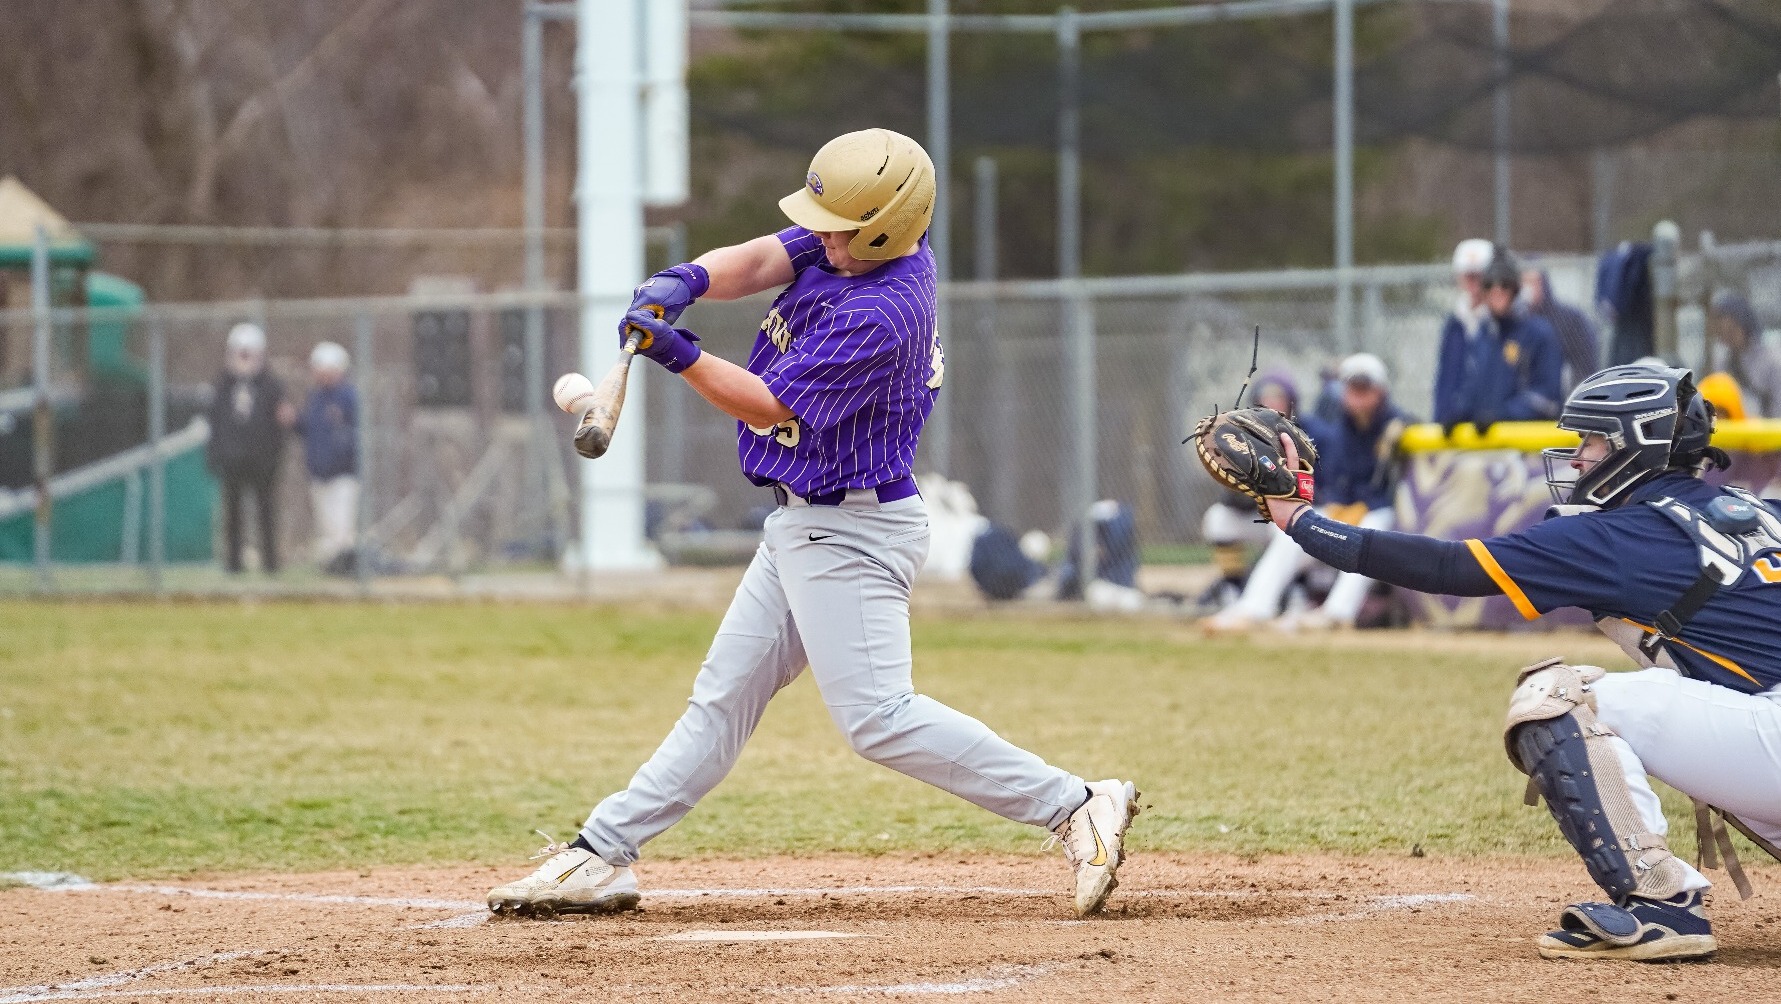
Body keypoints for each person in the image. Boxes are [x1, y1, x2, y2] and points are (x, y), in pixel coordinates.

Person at [486, 128, 1139, 920]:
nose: (819, 239)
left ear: (884, 229)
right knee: (722, 699)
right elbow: (764, 257)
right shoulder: (852, 237)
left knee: (878, 720)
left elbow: (768, 406)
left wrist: (677, 352)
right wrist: (685, 279)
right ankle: (603, 853)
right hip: (804, 525)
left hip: (851, 531)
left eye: (835, 230)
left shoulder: (883, 309)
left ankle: (1074, 803)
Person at [1253, 363, 1781, 961]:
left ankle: (1660, 906)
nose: (1580, 458)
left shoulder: (1623, 534)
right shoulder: (1758, 511)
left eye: (1595, 440)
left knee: (1556, 698)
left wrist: (1298, 518)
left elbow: (1449, 568)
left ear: (1639, 445)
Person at [1203, 353, 1409, 632]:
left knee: (1372, 530)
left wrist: (1406, 430)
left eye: (1364, 388)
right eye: (1352, 388)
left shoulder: (1395, 425)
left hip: (1381, 513)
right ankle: (1254, 607)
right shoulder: (1341, 430)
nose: (1356, 396)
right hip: (1341, 508)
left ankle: (1336, 613)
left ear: (1380, 391)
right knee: (1295, 530)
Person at [1432, 246, 1563, 432]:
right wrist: (1459, 413)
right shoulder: (1484, 333)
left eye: (1504, 284)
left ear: (1515, 289)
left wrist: (1503, 414)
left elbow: (1547, 398)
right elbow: (1474, 386)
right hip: (1491, 445)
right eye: (1489, 285)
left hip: (1529, 443)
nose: (1497, 290)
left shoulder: (1538, 333)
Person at [1197, 372, 1298, 612]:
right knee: (1218, 519)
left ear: (1291, 402)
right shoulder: (1239, 435)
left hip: (1288, 517)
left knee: (1291, 534)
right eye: (1267, 398)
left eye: (1279, 398)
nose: (1273, 404)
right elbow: (1231, 498)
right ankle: (1233, 588)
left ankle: (1296, 592)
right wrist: (1249, 483)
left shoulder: (1305, 433)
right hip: (1258, 515)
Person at [205, 323, 291, 574]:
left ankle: (270, 563)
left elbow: (279, 426)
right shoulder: (223, 386)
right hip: (233, 459)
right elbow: (216, 423)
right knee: (233, 514)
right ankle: (233, 562)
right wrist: (215, 455)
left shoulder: (272, 386)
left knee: (266, 512)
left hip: (262, 459)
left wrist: (276, 457)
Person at [294, 341, 359, 574]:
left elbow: (353, 434)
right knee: (327, 527)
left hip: (343, 472)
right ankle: (334, 569)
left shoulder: (348, 397)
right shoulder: (316, 397)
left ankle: (345, 570)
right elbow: (310, 429)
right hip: (319, 471)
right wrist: (293, 421)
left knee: (342, 528)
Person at [1520, 266, 1599, 396]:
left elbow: (1584, 364)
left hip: (1564, 395)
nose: (1528, 288)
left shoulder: (1570, 318)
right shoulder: (1518, 322)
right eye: (1524, 282)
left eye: (1533, 282)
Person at [1707, 291, 1780, 417]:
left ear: (1744, 324)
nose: (1727, 336)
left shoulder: (1772, 361)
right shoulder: (1723, 361)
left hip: (1766, 432)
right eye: (1721, 331)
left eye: (1732, 330)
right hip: (1735, 433)